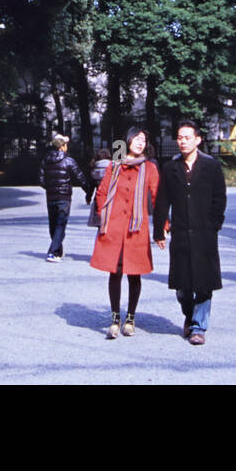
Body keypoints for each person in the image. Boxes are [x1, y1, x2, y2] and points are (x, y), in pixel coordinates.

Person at [153, 121, 226, 346]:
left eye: (187, 137)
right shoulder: (170, 168)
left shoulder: (211, 166)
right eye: (179, 137)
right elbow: (162, 200)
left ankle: (198, 326)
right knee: (182, 285)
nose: (182, 141)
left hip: (205, 233)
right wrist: (159, 230)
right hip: (181, 232)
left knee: (204, 282)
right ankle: (188, 314)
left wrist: (214, 224)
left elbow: (219, 198)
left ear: (198, 140)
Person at [89, 127, 161, 338]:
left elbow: (157, 197)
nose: (140, 143)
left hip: (136, 228)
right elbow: (102, 191)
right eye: (137, 139)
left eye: (144, 140)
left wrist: (162, 226)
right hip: (114, 227)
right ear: (128, 141)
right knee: (115, 272)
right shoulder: (115, 165)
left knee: (134, 274)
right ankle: (114, 318)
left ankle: (130, 317)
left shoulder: (149, 168)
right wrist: (103, 215)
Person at [38, 133, 91, 262]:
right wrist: (89, 190)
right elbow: (80, 177)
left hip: (51, 196)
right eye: (66, 144)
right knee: (60, 224)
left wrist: (50, 188)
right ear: (62, 146)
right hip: (64, 196)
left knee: (53, 224)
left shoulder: (46, 159)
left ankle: (58, 251)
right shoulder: (69, 160)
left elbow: (40, 179)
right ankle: (52, 252)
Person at [86, 146, 112, 229]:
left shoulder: (94, 169)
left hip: (98, 199)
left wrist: (88, 197)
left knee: (100, 224)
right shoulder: (113, 168)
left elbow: (91, 186)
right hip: (111, 198)